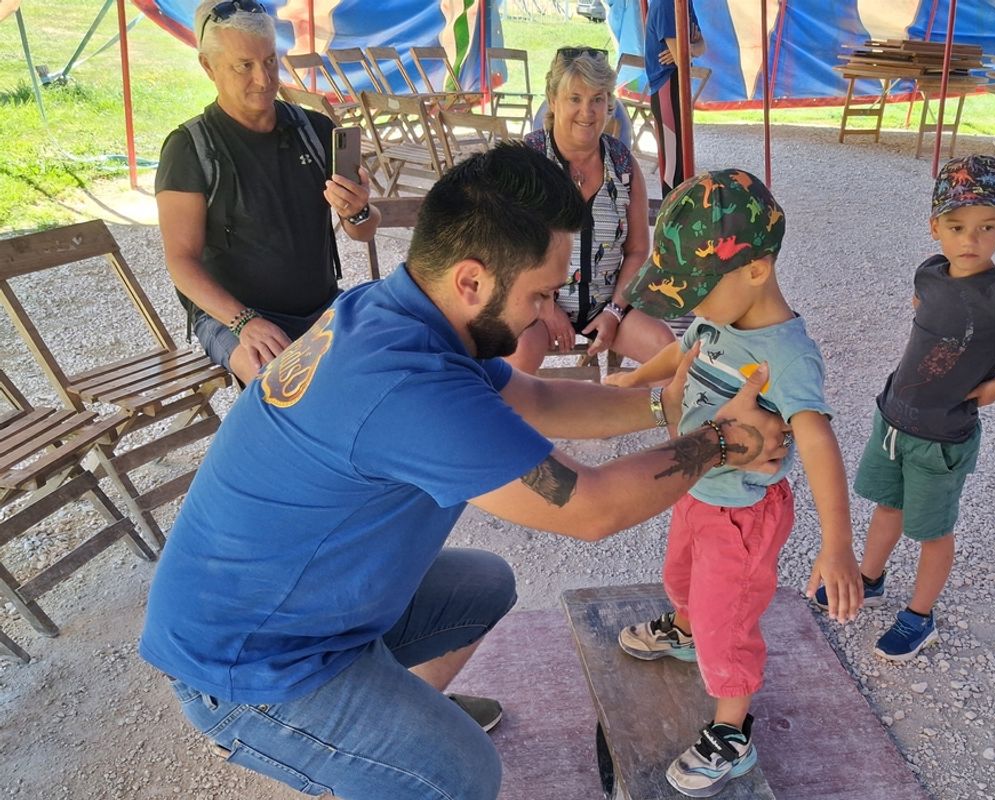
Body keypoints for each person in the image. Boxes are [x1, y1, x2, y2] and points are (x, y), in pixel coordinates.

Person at [139, 144, 790, 800]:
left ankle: (397, 728)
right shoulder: (409, 389)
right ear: (473, 280)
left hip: (282, 600)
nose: (546, 313)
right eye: (540, 294)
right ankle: (392, 761)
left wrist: (659, 404)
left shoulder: (397, 312)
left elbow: (532, 398)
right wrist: (720, 443)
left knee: (483, 584)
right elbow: (592, 508)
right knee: (460, 772)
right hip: (248, 664)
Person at [605, 169, 864, 798]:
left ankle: (733, 728)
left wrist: (838, 544)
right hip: (697, 491)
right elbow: (680, 351)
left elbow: (818, 440)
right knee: (681, 580)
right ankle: (687, 630)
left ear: (756, 269)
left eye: (697, 288)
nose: (691, 306)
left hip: (745, 516)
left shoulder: (788, 355)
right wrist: (632, 385)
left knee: (729, 623)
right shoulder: (721, 318)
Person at [813, 155, 995, 661]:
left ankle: (920, 616)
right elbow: (926, 310)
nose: (971, 240)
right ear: (934, 227)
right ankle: (870, 579)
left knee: (932, 532)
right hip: (893, 418)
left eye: (987, 227)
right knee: (887, 507)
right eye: (957, 226)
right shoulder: (931, 271)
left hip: (942, 439)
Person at [155, 0, 381, 386]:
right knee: (279, 384)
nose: (264, 79)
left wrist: (357, 210)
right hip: (234, 316)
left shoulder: (314, 131)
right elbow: (181, 262)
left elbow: (365, 230)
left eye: (270, 61)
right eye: (244, 65)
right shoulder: (190, 148)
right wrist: (245, 321)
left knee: (387, 363)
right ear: (208, 67)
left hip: (322, 304)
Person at [511, 46, 674, 373]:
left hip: (609, 303)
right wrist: (543, 306)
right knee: (513, 364)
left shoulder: (623, 164)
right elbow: (504, 251)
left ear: (609, 104)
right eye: (575, 98)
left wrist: (614, 312)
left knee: (672, 357)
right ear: (553, 101)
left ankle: (689, 423)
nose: (587, 112)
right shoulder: (527, 161)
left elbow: (638, 250)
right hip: (536, 307)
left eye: (597, 99)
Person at [644, 0, 705, 197]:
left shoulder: (685, 3)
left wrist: (686, 47)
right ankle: (670, 218)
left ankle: (682, 215)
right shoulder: (665, 4)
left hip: (677, 82)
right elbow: (681, 57)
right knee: (673, 162)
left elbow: (701, 47)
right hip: (665, 84)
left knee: (683, 155)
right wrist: (686, 48)